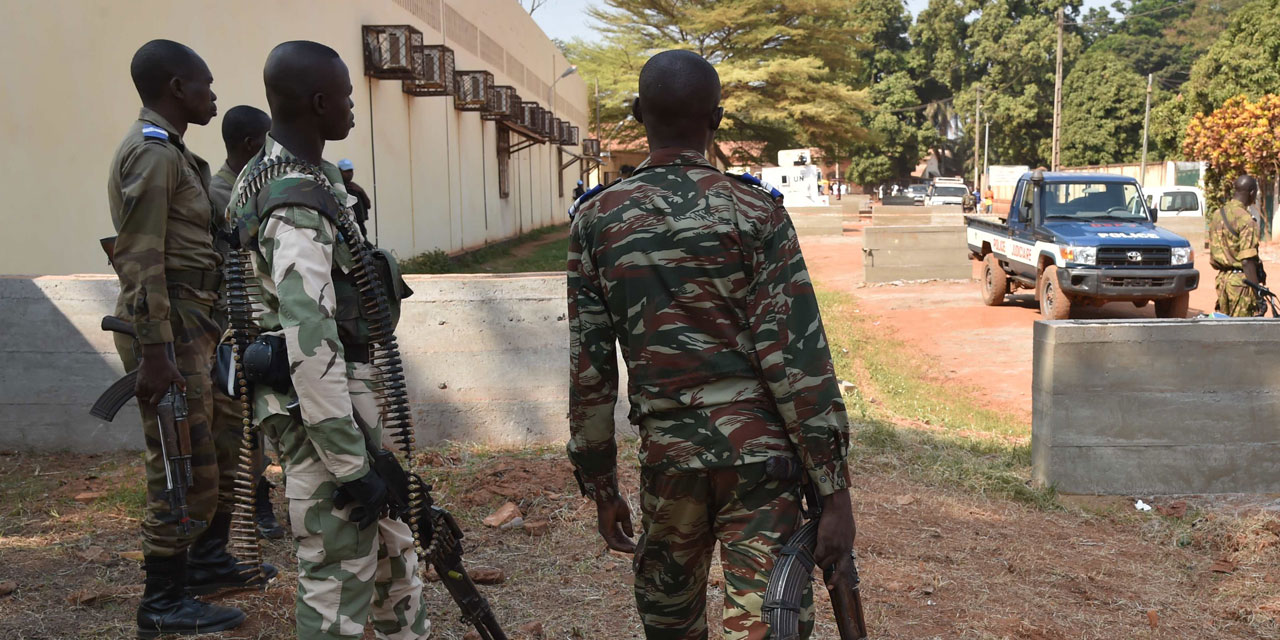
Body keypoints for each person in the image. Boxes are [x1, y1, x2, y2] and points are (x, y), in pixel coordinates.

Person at [567, 50, 854, 640]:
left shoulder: (596, 221)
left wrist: (601, 486)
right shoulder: (756, 212)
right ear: (716, 118)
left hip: (669, 460)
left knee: (670, 625)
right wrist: (834, 491)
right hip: (762, 461)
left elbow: (590, 372)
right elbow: (799, 359)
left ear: (637, 112)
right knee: (766, 625)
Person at [228, 40, 429, 639]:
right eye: (344, 97)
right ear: (319, 102)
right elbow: (309, 341)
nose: (350, 109)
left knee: (392, 555)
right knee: (338, 578)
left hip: (339, 401)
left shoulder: (279, 174)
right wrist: (349, 465)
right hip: (321, 411)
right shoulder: (295, 205)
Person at [106, 39, 249, 638]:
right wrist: (158, 352)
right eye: (205, 84)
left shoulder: (175, 154)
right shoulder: (153, 155)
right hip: (170, 330)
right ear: (175, 86)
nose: (213, 95)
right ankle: (161, 603)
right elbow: (141, 258)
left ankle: (200, 570)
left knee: (212, 448)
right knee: (177, 463)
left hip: (196, 323)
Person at [206, 104, 286, 541]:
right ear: (253, 145)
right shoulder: (222, 194)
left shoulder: (242, 188)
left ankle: (258, 499)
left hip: (252, 317)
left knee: (256, 416)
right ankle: (254, 503)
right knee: (240, 419)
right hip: (230, 322)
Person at [1209, 175, 1264, 317]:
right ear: (1252, 193)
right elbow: (1246, 261)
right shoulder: (1246, 220)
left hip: (1222, 281)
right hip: (1241, 284)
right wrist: (1258, 295)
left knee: (1224, 330)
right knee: (1241, 332)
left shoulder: (1217, 214)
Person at [337, 158, 373, 237]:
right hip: (346, 228)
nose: (350, 174)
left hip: (360, 226)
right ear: (339, 171)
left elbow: (368, 205)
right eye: (346, 171)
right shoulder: (337, 188)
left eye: (351, 171)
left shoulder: (355, 187)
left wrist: (361, 191)